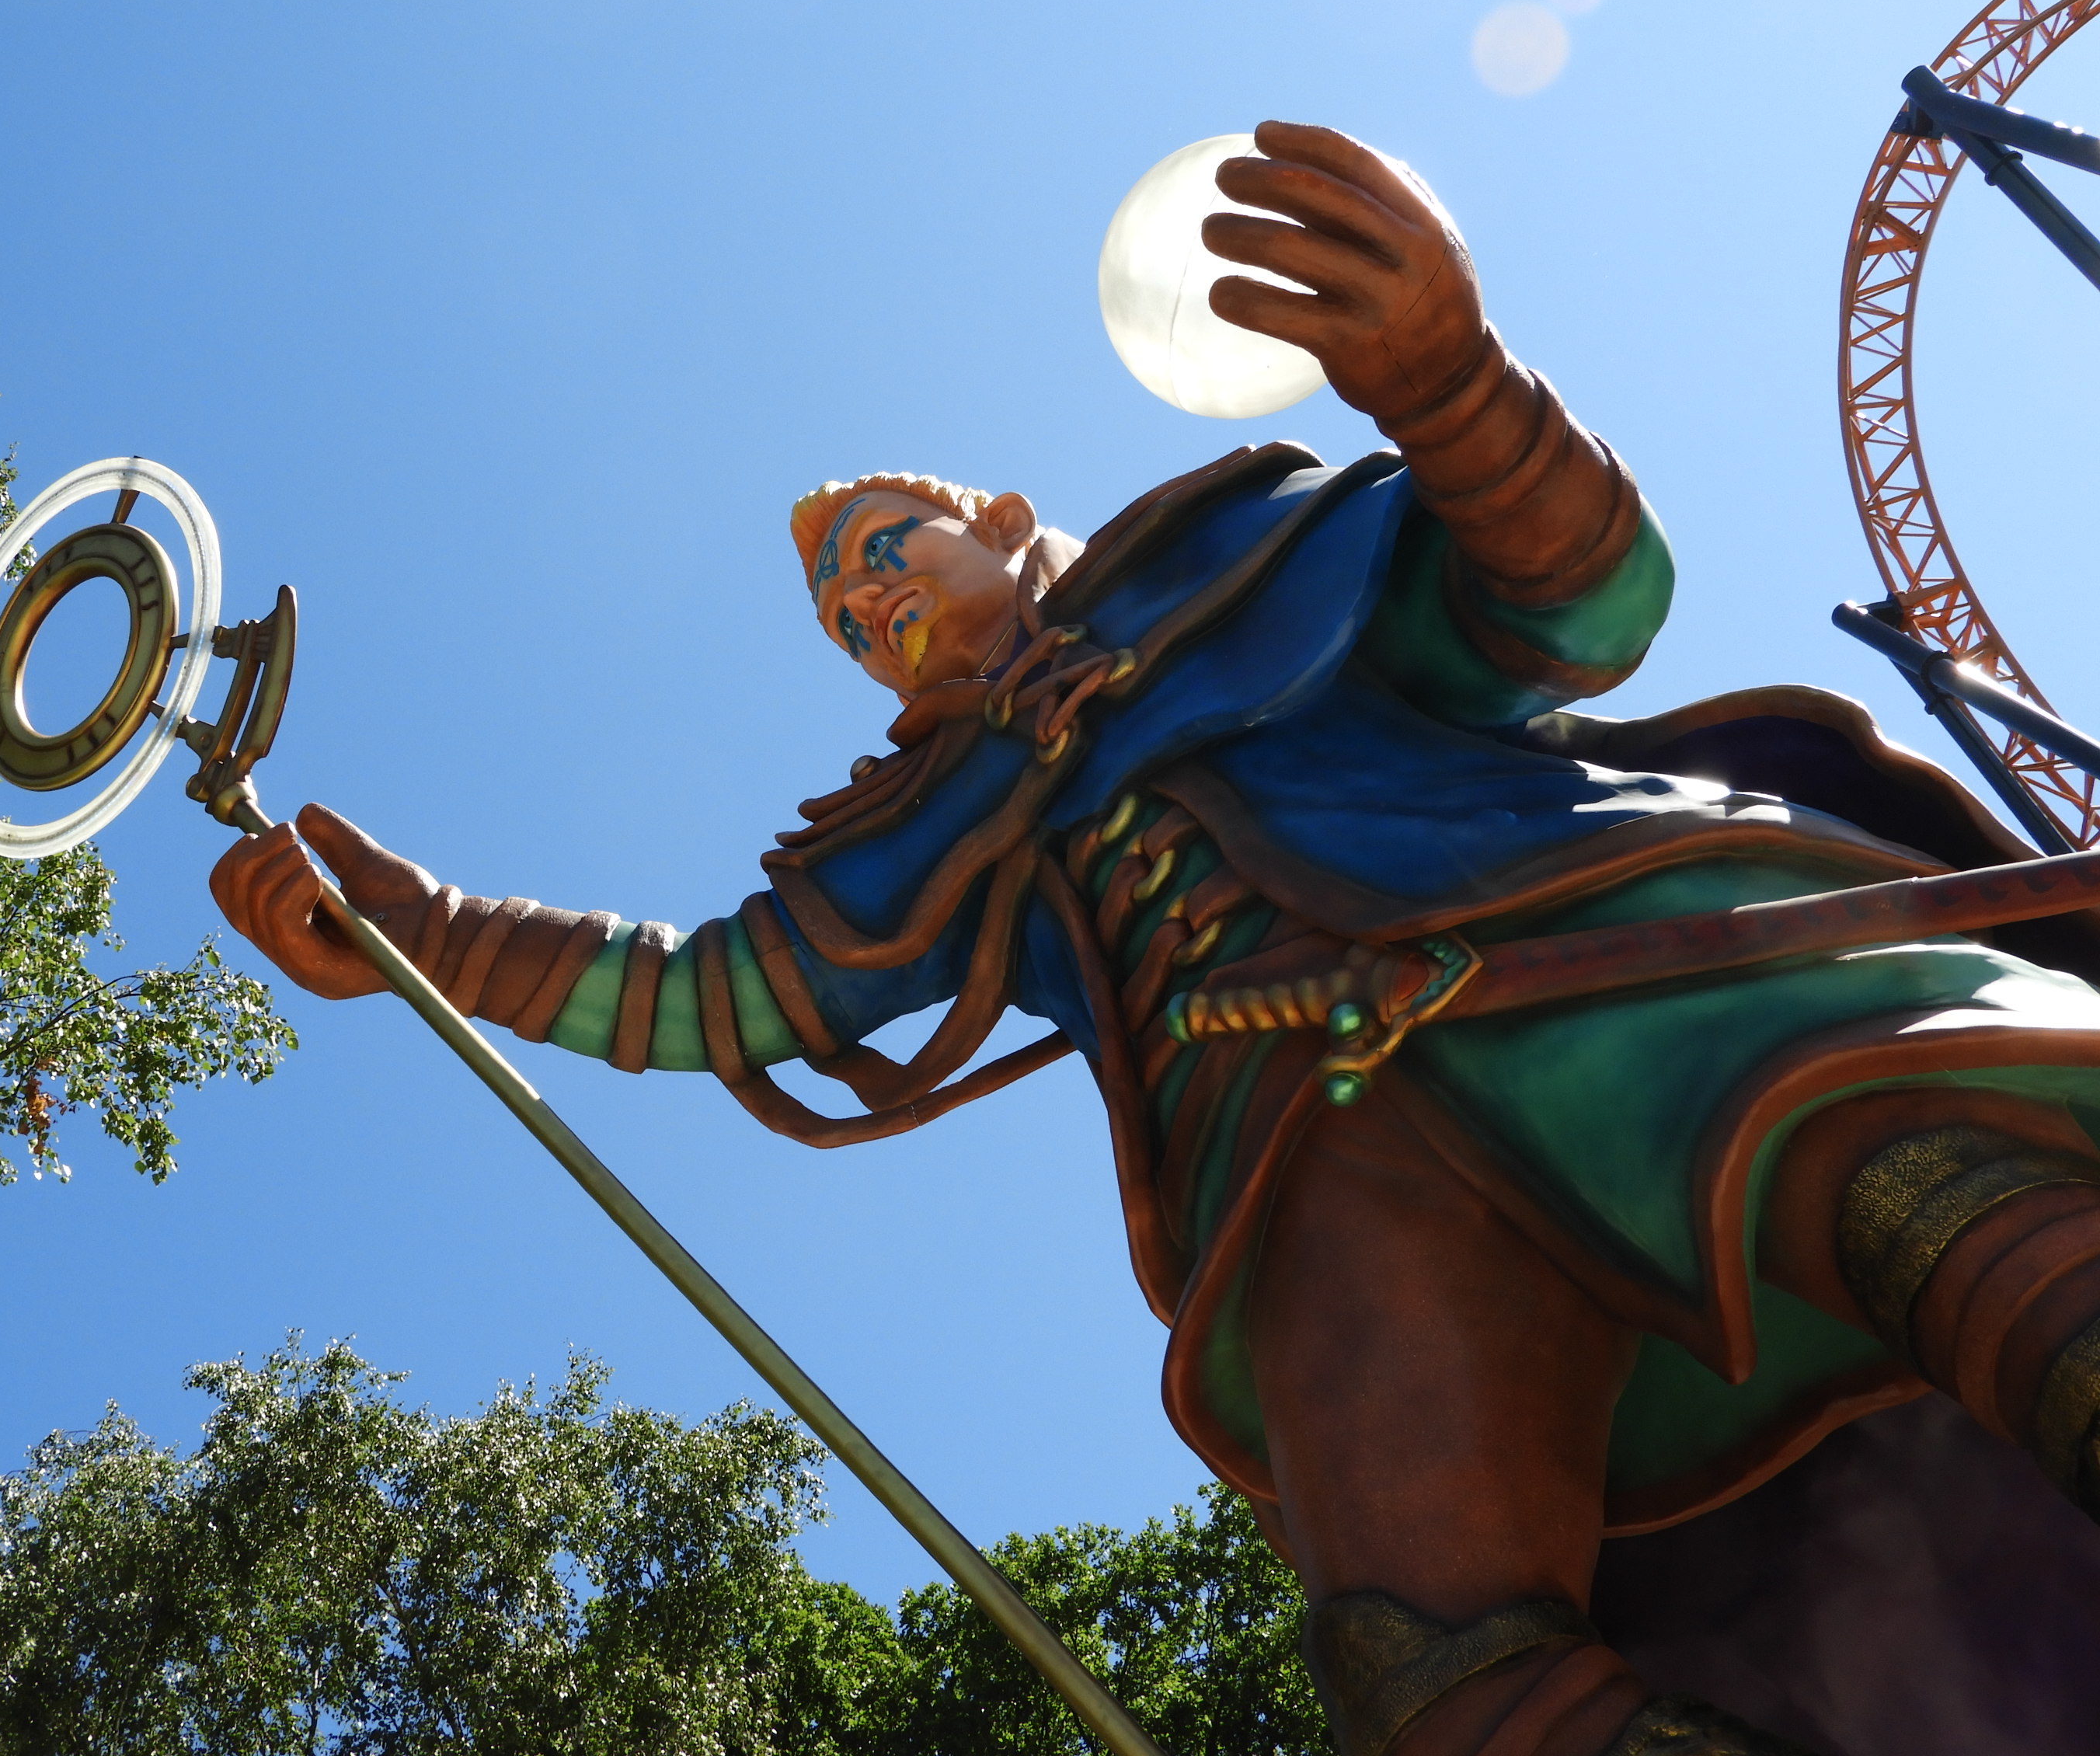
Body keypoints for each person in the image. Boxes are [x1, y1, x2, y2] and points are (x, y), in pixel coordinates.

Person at [211, 123, 2100, 1756]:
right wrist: (430, 935)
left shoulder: (1256, 547)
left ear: (1002, 523)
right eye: (848, 624)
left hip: (1602, 962)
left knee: (1947, 1204)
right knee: (1434, 1673)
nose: (875, 610)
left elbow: (1587, 606)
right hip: (1319, 1178)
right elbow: (713, 999)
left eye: (889, 551)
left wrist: (1449, 383)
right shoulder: (916, 841)